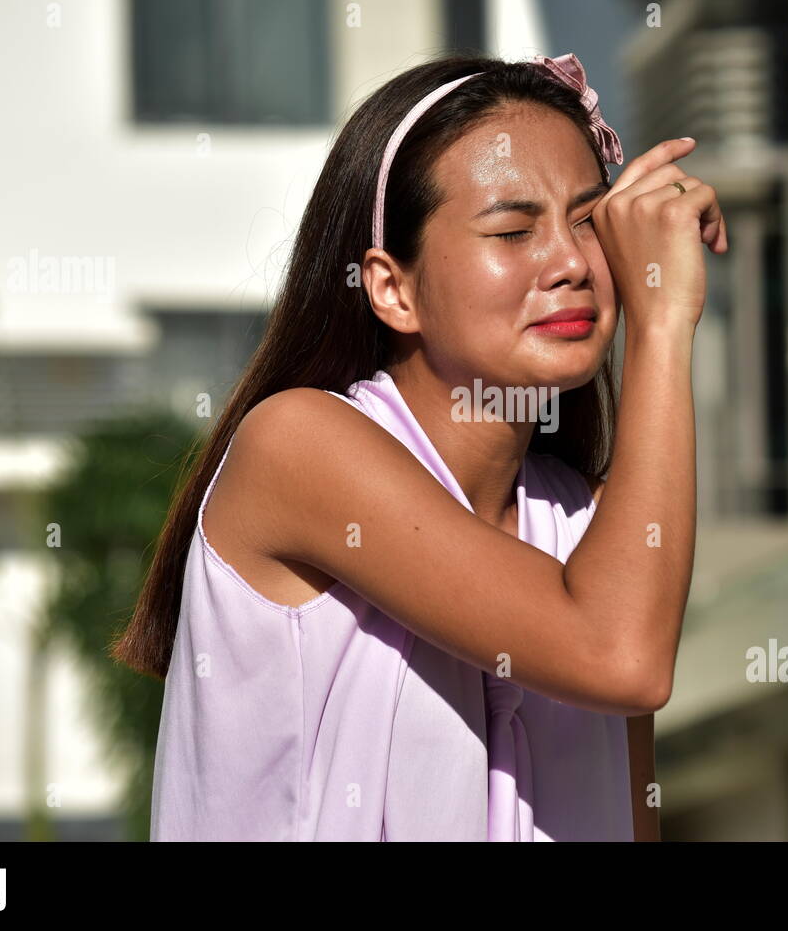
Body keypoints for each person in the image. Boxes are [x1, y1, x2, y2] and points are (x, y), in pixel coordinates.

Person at [113, 51, 726, 841]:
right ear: (392, 288)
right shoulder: (298, 444)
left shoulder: (594, 535)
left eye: (589, 221)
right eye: (513, 229)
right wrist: (664, 325)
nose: (572, 264)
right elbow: (620, 656)